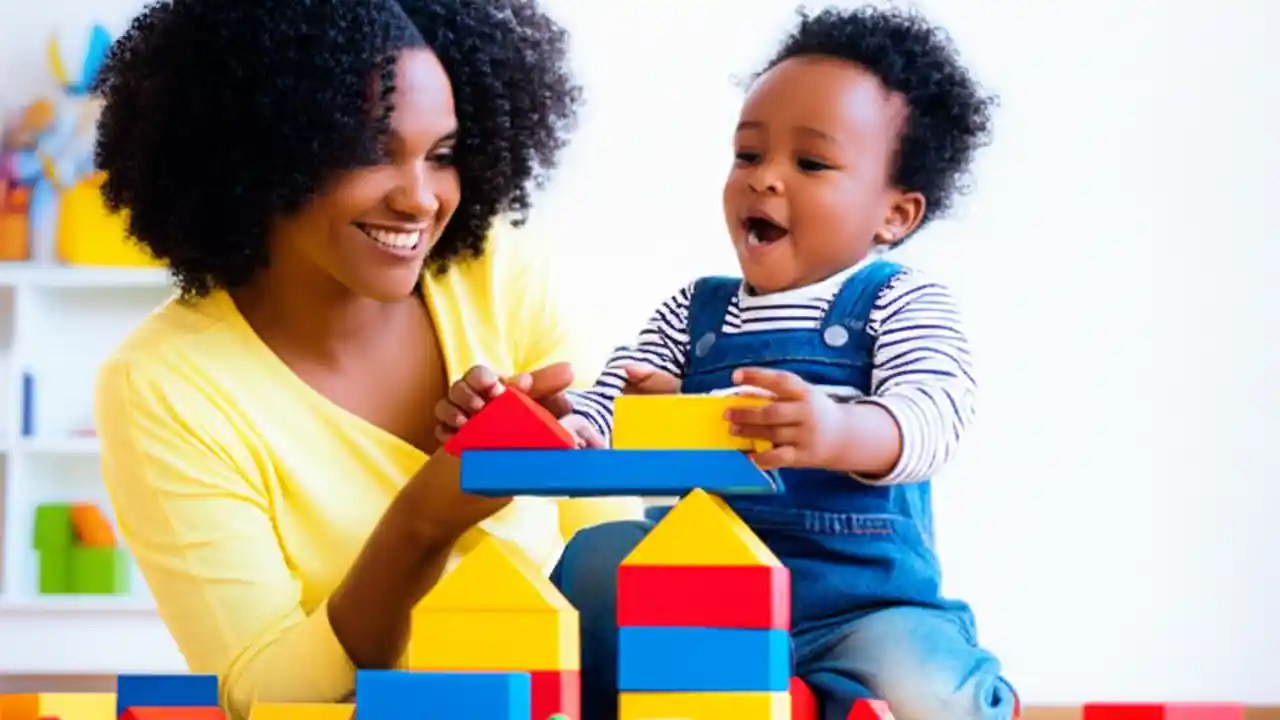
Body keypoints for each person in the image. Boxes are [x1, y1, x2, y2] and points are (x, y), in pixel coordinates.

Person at [439, 5, 1013, 720]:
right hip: (702, 589)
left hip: (858, 608)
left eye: (810, 162)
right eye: (749, 155)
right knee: (594, 562)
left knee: (924, 685)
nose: (766, 179)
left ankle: (877, 698)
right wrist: (552, 426)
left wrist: (838, 432)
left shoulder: (899, 301)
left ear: (894, 215)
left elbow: (938, 414)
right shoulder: (694, 313)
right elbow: (610, 401)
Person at [90, 2, 642, 719]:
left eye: (441, 155)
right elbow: (261, 694)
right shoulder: (164, 385)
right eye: (368, 151)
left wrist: (582, 451)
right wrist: (423, 524)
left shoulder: (493, 270)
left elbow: (608, 556)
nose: (420, 199)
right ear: (263, 153)